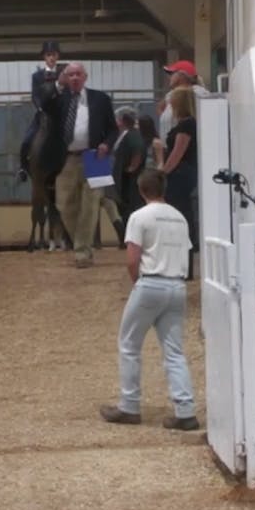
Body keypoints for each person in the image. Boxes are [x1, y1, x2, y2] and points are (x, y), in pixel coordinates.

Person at [99, 168, 199, 431]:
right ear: (163, 189)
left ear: (141, 190)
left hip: (151, 283)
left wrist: (139, 283)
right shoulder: (179, 217)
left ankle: (129, 405)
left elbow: (132, 259)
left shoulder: (139, 217)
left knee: (129, 345)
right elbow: (187, 254)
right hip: (177, 285)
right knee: (174, 352)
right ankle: (185, 410)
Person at [41, 62, 118, 268]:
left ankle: (82, 252)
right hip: (66, 159)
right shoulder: (59, 99)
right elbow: (44, 104)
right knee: (64, 205)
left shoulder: (100, 99)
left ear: (85, 77)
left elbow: (113, 129)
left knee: (90, 207)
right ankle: (81, 244)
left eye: (78, 74)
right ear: (65, 78)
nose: (74, 77)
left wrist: (107, 144)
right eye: (70, 74)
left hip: (95, 157)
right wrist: (58, 85)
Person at [161, 87, 199, 281]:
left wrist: (163, 172)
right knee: (182, 215)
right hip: (183, 173)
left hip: (180, 175)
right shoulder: (188, 123)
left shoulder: (186, 125)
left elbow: (177, 152)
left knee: (181, 216)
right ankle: (183, 264)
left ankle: (184, 265)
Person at [18, 41, 67, 182]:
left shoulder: (64, 73)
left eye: (54, 55)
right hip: (43, 114)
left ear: (57, 56)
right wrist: (40, 107)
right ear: (44, 57)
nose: (51, 57)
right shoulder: (37, 76)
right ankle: (23, 167)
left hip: (61, 114)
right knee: (27, 140)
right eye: (48, 55)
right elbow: (35, 95)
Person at [156, 60, 209, 141]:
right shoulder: (172, 93)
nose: (169, 77)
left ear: (182, 76)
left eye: (171, 73)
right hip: (170, 144)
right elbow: (160, 107)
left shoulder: (197, 92)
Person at [111, 106, 145, 224]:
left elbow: (138, 151)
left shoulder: (132, 134)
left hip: (129, 182)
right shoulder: (125, 134)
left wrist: (132, 168)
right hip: (123, 180)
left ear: (121, 120)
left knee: (129, 209)